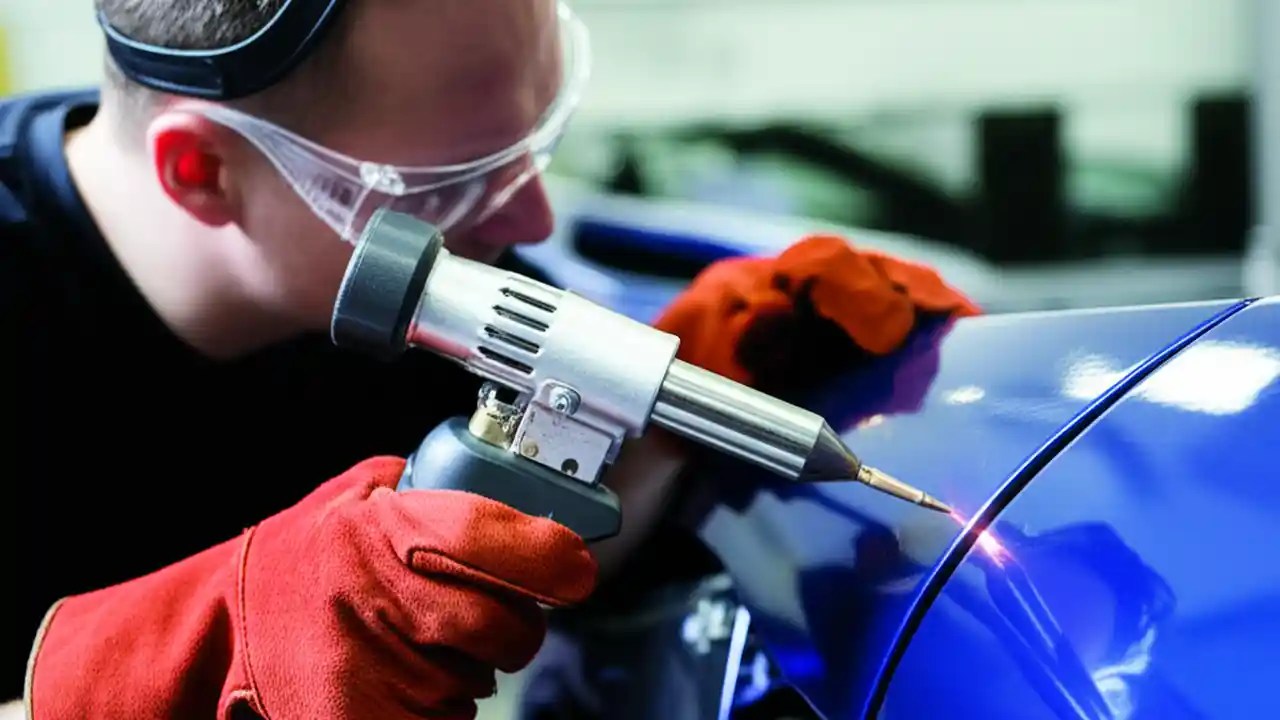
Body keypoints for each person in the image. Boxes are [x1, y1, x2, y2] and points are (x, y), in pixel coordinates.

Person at [1, 0, 980, 717]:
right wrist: (158, 670)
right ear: (203, 171)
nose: (532, 221)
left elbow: (520, 555)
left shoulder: (427, 273)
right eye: (460, 180)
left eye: (527, 150)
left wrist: (671, 427)